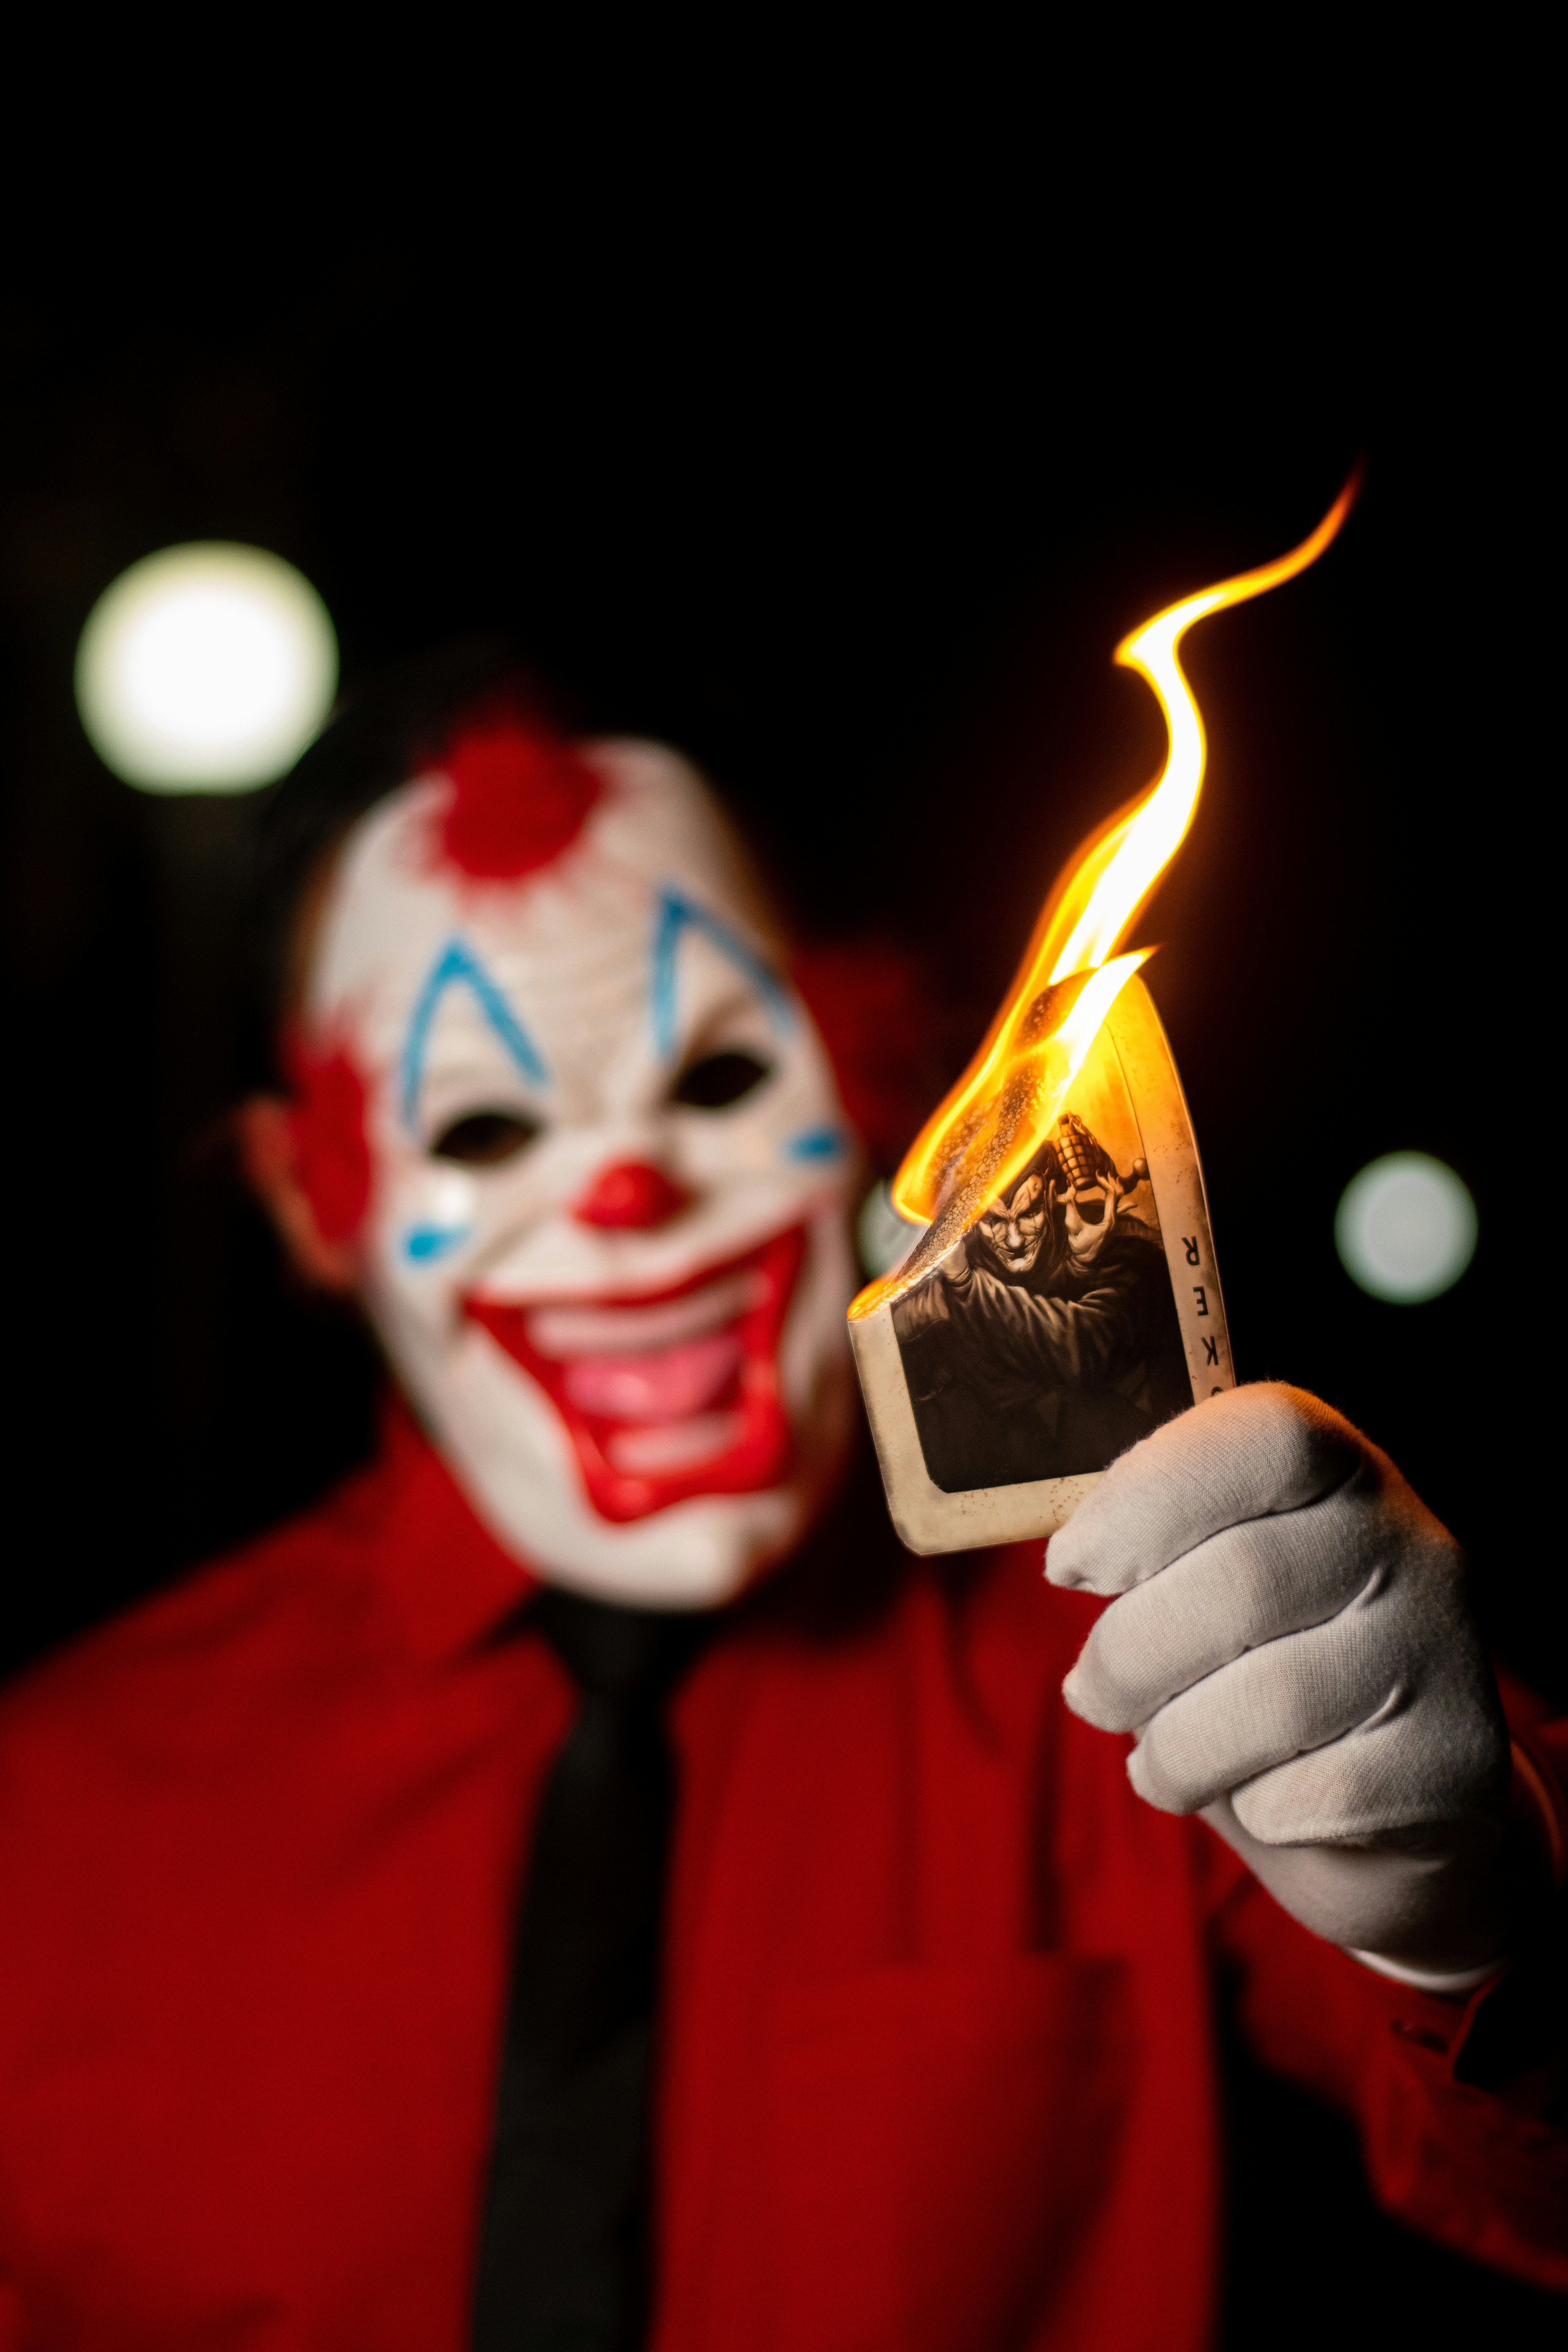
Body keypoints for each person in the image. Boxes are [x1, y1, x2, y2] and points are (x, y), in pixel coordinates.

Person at [0, 662, 1564, 2351]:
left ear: (860, 1080)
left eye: (720, 1082)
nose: (623, 1191)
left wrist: (1485, 1912)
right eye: (482, 1121)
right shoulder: (46, 1817)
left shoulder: (1138, 1659)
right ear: (318, 1203)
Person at [892, 1113, 1191, 1489]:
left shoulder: (1117, 1238)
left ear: (1054, 1194)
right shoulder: (958, 1266)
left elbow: (1084, 1345)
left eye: (1029, 1212)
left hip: (1150, 1473)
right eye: (994, 1221)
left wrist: (968, 1286)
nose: (1014, 1239)